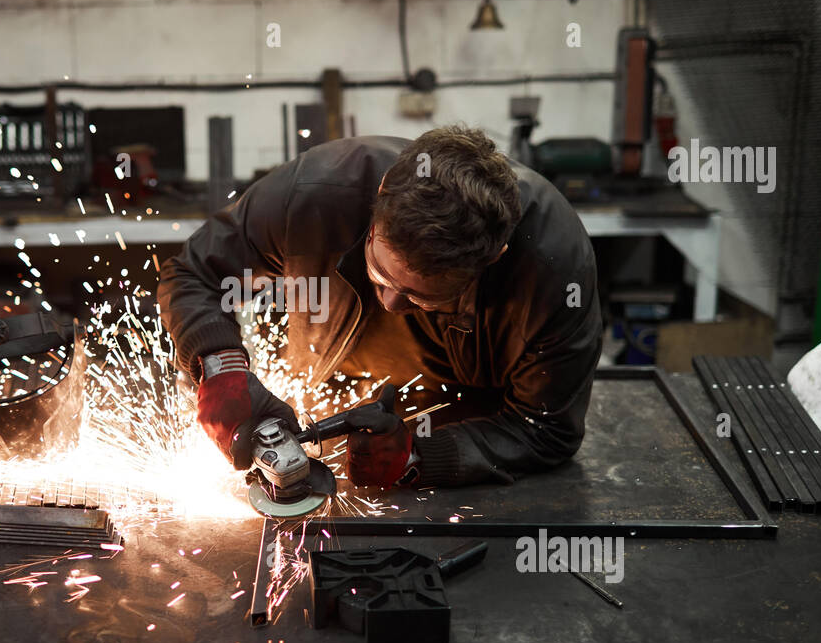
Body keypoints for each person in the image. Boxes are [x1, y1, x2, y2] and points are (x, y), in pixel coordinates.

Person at [158, 124, 602, 489]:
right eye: (379, 273)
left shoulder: (554, 270)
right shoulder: (315, 194)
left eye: (421, 297)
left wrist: (420, 456)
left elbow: (546, 429)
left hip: (448, 431)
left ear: (492, 259)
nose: (389, 303)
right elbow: (195, 273)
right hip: (318, 394)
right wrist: (221, 367)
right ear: (382, 193)